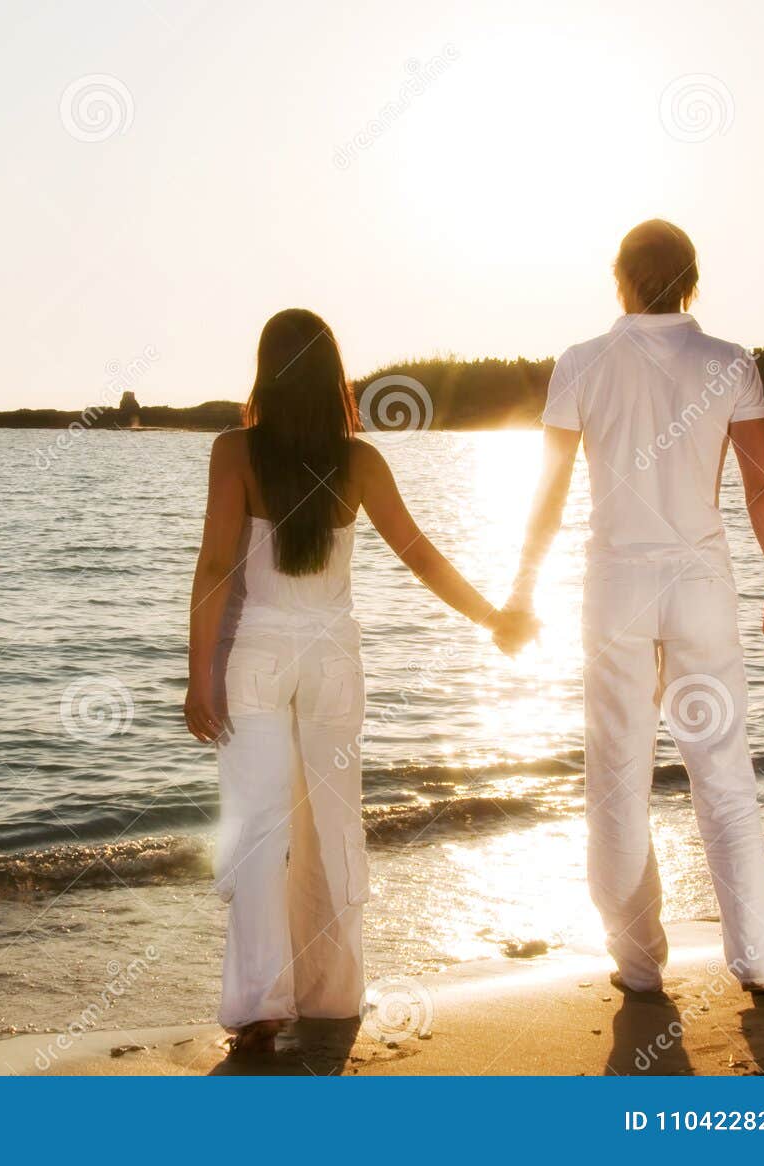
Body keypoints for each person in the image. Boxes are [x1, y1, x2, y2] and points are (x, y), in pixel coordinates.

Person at [184, 308, 522, 1052]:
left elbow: (214, 568)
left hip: (262, 655)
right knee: (331, 827)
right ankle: (333, 995)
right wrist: (493, 618)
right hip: (335, 658)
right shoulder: (361, 460)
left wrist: (197, 676)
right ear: (334, 375)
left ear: (265, 373)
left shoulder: (233, 451)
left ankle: (260, 1006)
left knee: (258, 829)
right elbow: (422, 557)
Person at [498, 220, 764, 996]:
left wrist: (524, 588)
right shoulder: (729, 362)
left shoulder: (581, 364)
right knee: (723, 774)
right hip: (700, 588)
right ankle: (758, 960)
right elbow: (762, 486)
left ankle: (637, 966)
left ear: (621, 278)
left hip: (616, 594)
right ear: (692, 279)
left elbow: (552, 490)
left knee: (617, 780)